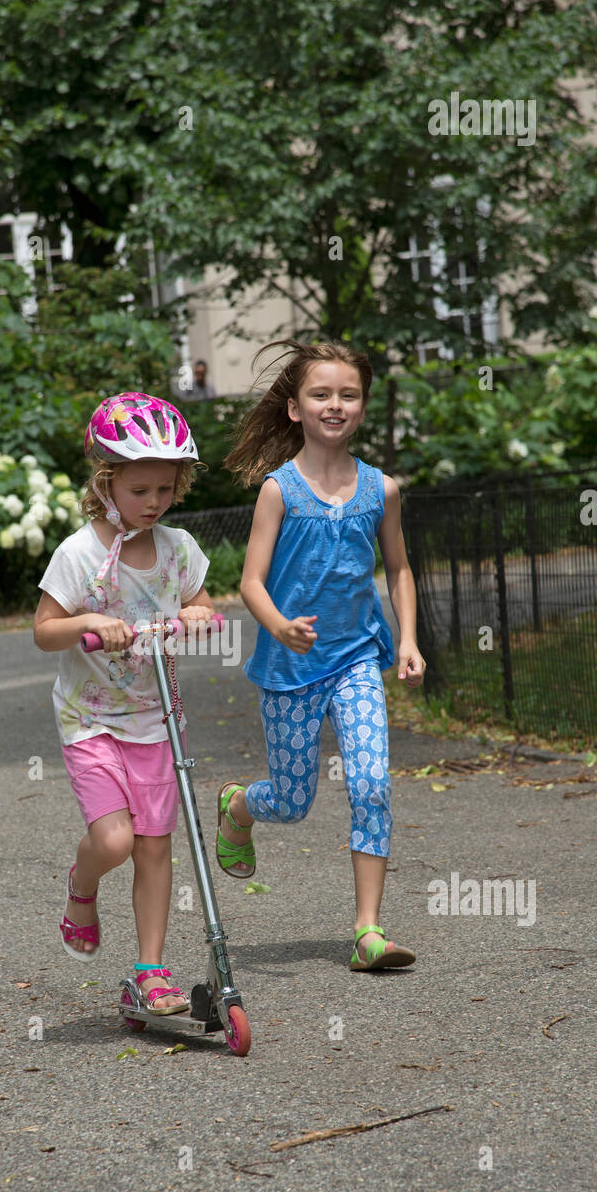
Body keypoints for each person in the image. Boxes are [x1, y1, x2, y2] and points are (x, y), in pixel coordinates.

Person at [215, 339, 426, 971]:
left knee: (370, 782)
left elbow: (399, 569)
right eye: (320, 394)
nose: (335, 405)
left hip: (357, 657)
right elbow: (250, 582)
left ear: (362, 405)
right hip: (289, 668)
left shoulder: (380, 490)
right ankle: (239, 805)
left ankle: (367, 932)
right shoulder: (278, 491)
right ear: (294, 409)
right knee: (292, 799)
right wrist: (279, 625)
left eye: (348, 394)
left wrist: (407, 639)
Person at [33, 393, 214, 1012]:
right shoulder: (78, 554)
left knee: (156, 845)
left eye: (165, 488)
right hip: (90, 720)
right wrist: (90, 618)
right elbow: (44, 631)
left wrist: (197, 615)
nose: (155, 501)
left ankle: (150, 970)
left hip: (157, 720)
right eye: (140, 489)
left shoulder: (178, 548)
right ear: (106, 482)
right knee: (113, 843)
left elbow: (201, 600)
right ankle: (82, 889)